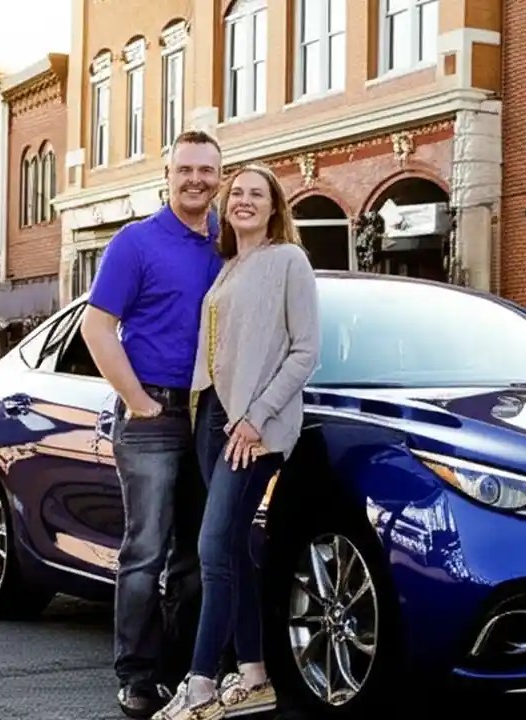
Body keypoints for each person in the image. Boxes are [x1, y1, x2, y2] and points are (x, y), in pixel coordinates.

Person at [154, 164, 320, 720]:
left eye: (258, 194)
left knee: (212, 548)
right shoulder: (228, 266)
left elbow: (304, 352)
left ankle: (200, 683)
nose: (245, 201)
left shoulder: (287, 261)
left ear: (275, 208)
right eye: (238, 193)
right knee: (232, 553)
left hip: (253, 428)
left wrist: (256, 417)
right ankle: (253, 675)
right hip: (212, 419)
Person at [81, 130, 225, 719]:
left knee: (195, 552)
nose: (196, 179)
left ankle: (181, 673)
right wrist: (138, 400)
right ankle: (137, 677)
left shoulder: (231, 242)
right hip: (155, 414)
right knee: (145, 550)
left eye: (207, 170)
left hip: (212, 415)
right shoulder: (135, 243)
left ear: (221, 176)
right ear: (167, 175)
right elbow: (96, 326)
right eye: (185, 168)